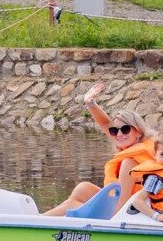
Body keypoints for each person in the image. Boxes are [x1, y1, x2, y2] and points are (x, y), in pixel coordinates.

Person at [43, 83, 153, 215]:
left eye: (125, 129)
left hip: (128, 211)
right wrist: (90, 103)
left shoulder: (132, 161)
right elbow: (106, 123)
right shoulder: (129, 145)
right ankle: (45, 221)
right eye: (114, 130)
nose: (119, 134)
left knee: (72, 206)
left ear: (138, 132)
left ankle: (36, 222)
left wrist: (111, 222)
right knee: (83, 189)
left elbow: (122, 204)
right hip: (121, 204)